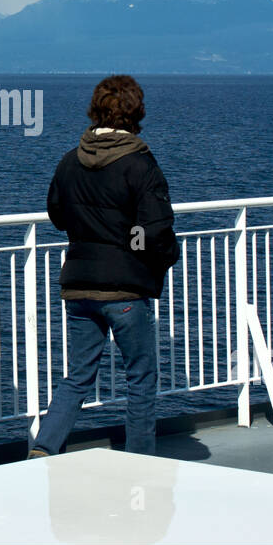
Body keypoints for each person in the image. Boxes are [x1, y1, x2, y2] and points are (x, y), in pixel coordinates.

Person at [31, 74, 178, 458]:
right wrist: (163, 261)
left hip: (79, 287)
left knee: (77, 377)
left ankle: (44, 449)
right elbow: (156, 230)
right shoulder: (140, 165)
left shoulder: (69, 162)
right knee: (141, 378)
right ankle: (140, 464)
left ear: (95, 111)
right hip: (126, 289)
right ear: (135, 113)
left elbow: (58, 215)